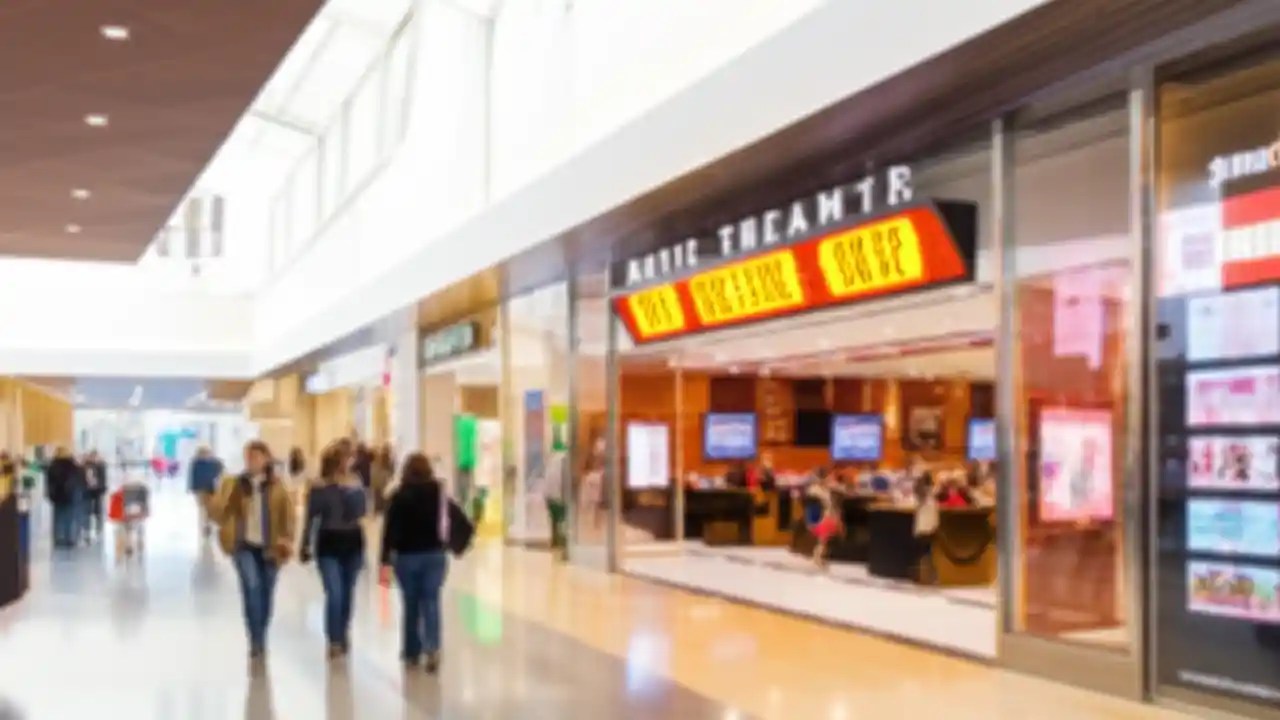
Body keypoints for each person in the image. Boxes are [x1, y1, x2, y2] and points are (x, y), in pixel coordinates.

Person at [379, 453, 470, 673]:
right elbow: (463, 522)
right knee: (431, 600)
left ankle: (411, 652)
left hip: (406, 558)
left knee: (410, 604)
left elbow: (389, 533)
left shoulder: (398, 497)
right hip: (434, 557)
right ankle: (433, 649)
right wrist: (457, 546)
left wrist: (384, 564)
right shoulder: (438, 495)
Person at [208, 441, 297, 661]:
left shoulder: (278, 486)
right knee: (251, 588)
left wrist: (287, 539)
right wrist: (217, 496)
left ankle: (261, 633)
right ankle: (255, 641)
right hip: (244, 546)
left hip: (271, 548)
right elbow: (220, 514)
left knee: (266, 593)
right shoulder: (236, 484)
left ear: (266, 459)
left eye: (256, 457)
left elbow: (288, 516)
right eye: (248, 457)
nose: (252, 462)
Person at [299, 442, 367, 658]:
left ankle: (343, 630)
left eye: (350, 458)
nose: (349, 463)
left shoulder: (356, 483)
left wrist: (352, 492)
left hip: (353, 542)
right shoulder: (319, 487)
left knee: (347, 593)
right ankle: (333, 639)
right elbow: (310, 517)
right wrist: (304, 543)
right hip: (328, 543)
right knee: (334, 592)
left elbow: (361, 512)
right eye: (346, 458)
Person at [45, 448, 82, 548]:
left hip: (57, 495)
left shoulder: (52, 466)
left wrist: (50, 494)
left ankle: (58, 538)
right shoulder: (73, 466)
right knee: (69, 517)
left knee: (58, 517)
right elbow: (77, 481)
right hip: (70, 495)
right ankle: (69, 538)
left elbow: (49, 482)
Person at [189, 447, 224, 539]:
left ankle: (208, 524)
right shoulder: (196, 463)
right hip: (201, 489)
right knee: (204, 508)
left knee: (209, 508)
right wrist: (193, 488)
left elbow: (221, 473)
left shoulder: (215, 463)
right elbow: (193, 476)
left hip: (211, 488)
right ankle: (206, 525)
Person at [84, 450, 108, 541]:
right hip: (89, 491)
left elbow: (103, 480)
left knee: (98, 510)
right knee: (89, 509)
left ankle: (98, 528)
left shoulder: (101, 466)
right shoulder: (88, 465)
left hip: (97, 491)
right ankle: (88, 528)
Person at [370, 444, 394, 515]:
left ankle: (377, 513)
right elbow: (390, 475)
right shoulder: (387, 464)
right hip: (383, 486)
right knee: (383, 503)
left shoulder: (375, 464)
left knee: (378, 503)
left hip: (378, 486)